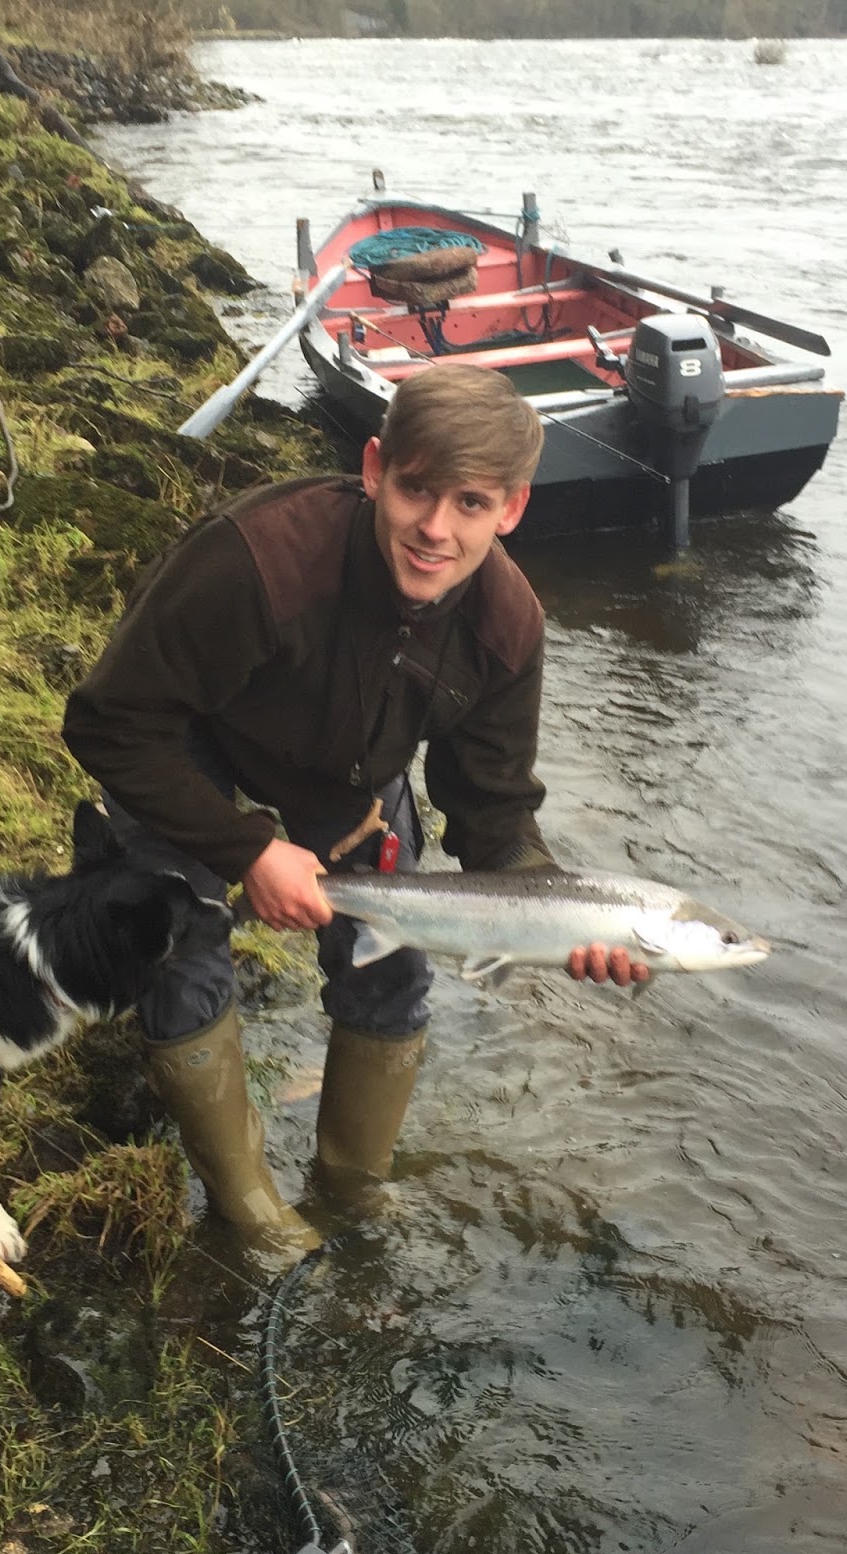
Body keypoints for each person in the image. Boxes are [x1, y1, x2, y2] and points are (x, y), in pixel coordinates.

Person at [62, 365, 647, 1253]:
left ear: (512, 509)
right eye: (417, 490)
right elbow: (108, 723)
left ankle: (350, 1185)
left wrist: (561, 916)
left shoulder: (507, 625)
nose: (437, 529)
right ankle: (247, 1206)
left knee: (395, 971)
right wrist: (247, 850)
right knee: (184, 947)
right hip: (183, 736)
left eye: (471, 503)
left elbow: (493, 815)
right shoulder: (255, 561)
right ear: (375, 468)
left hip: (345, 775)